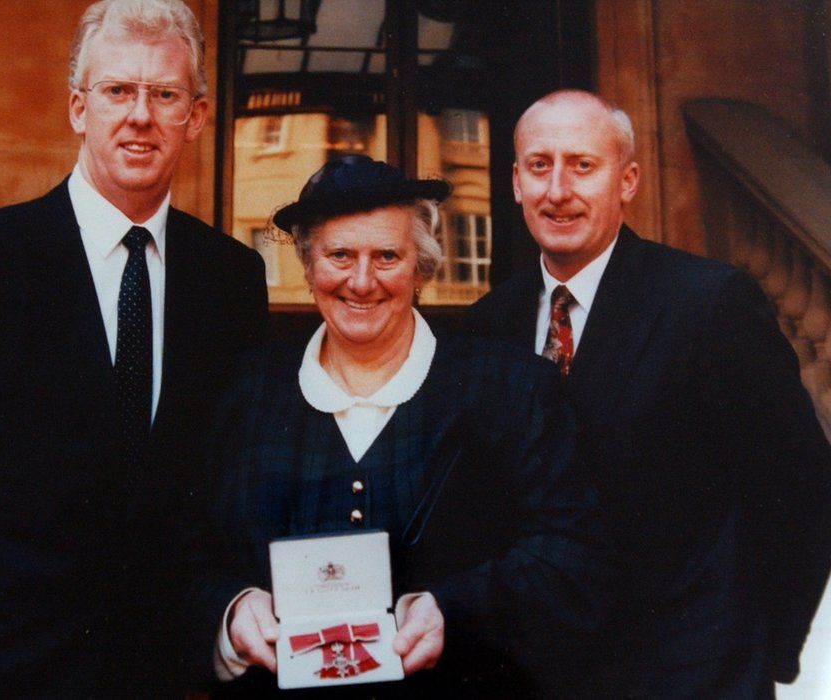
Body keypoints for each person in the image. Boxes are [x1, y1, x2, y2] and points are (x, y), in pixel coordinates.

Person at [0, 0, 267, 695]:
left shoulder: (228, 279)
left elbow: (219, 486)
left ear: (195, 117)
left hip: (140, 677)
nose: (140, 115)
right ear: (79, 109)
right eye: (117, 91)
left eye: (164, 94)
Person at [183, 154, 613, 698]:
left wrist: (452, 612)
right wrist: (231, 611)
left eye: (387, 255)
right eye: (339, 255)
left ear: (421, 267)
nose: (361, 282)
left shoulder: (509, 387)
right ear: (310, 265)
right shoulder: (249, 390)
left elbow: (574, 559)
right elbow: (189, 552)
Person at [466, 89, 831, 698]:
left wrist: (762, 650)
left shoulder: (709, 303)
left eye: (583, 166)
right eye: (539, 166)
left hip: (692, 675)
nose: (558, 190)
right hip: (538, 676)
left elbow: (800, 489)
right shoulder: (487, 325)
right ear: (514, 182)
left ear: (628, 180)